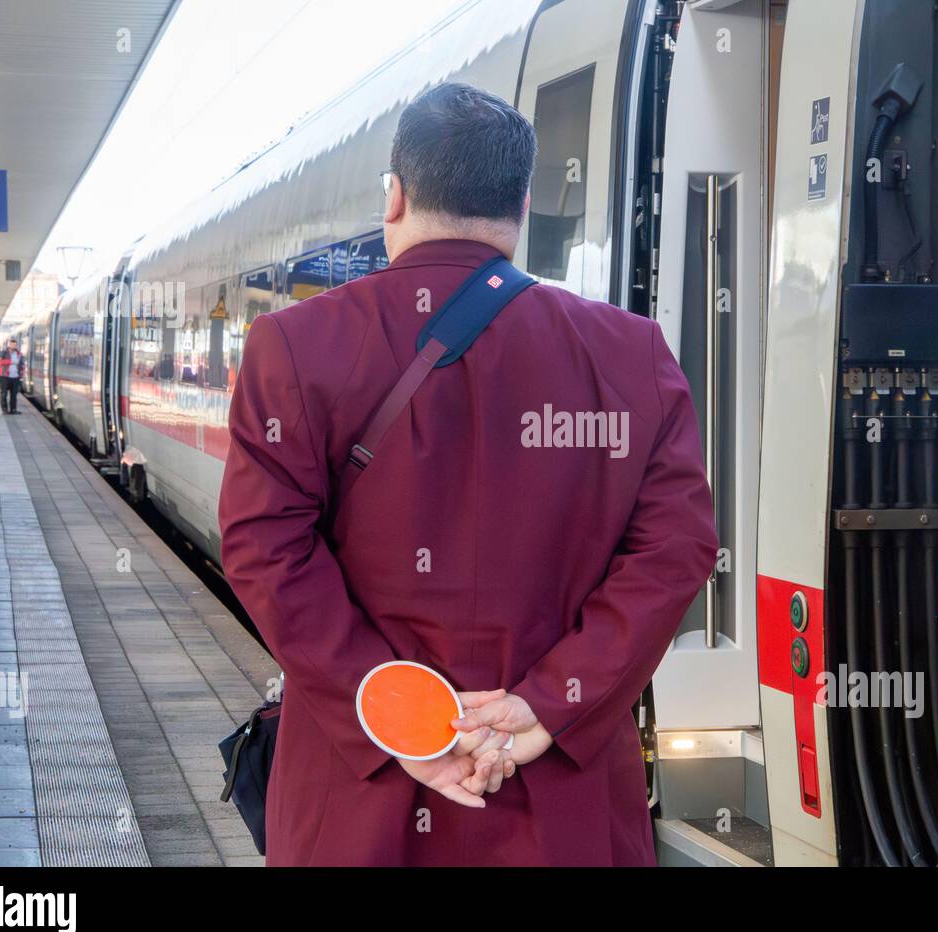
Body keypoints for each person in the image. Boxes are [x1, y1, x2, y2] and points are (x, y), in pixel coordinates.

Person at [218, 82, 718, 866]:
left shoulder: (294, 345)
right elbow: (679, 550)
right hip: (563, 808)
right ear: (522, 205)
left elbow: (263, 551)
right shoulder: (631, 354)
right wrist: (546, 708)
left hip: (362, 805)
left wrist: (400, 723)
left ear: (396, 196)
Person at [0, 338, 22, 414]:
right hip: (4, 376)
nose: (14, 346)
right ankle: (4, 410)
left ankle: (13, 409)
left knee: (14, 395)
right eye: (12, 344)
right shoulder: (3, 353)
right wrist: (11, 362)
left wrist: (21, 372)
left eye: (15, 345)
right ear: (9, 345)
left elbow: (21, 363)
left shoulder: (18, 354)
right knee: (4, 394)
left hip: (15, 377)